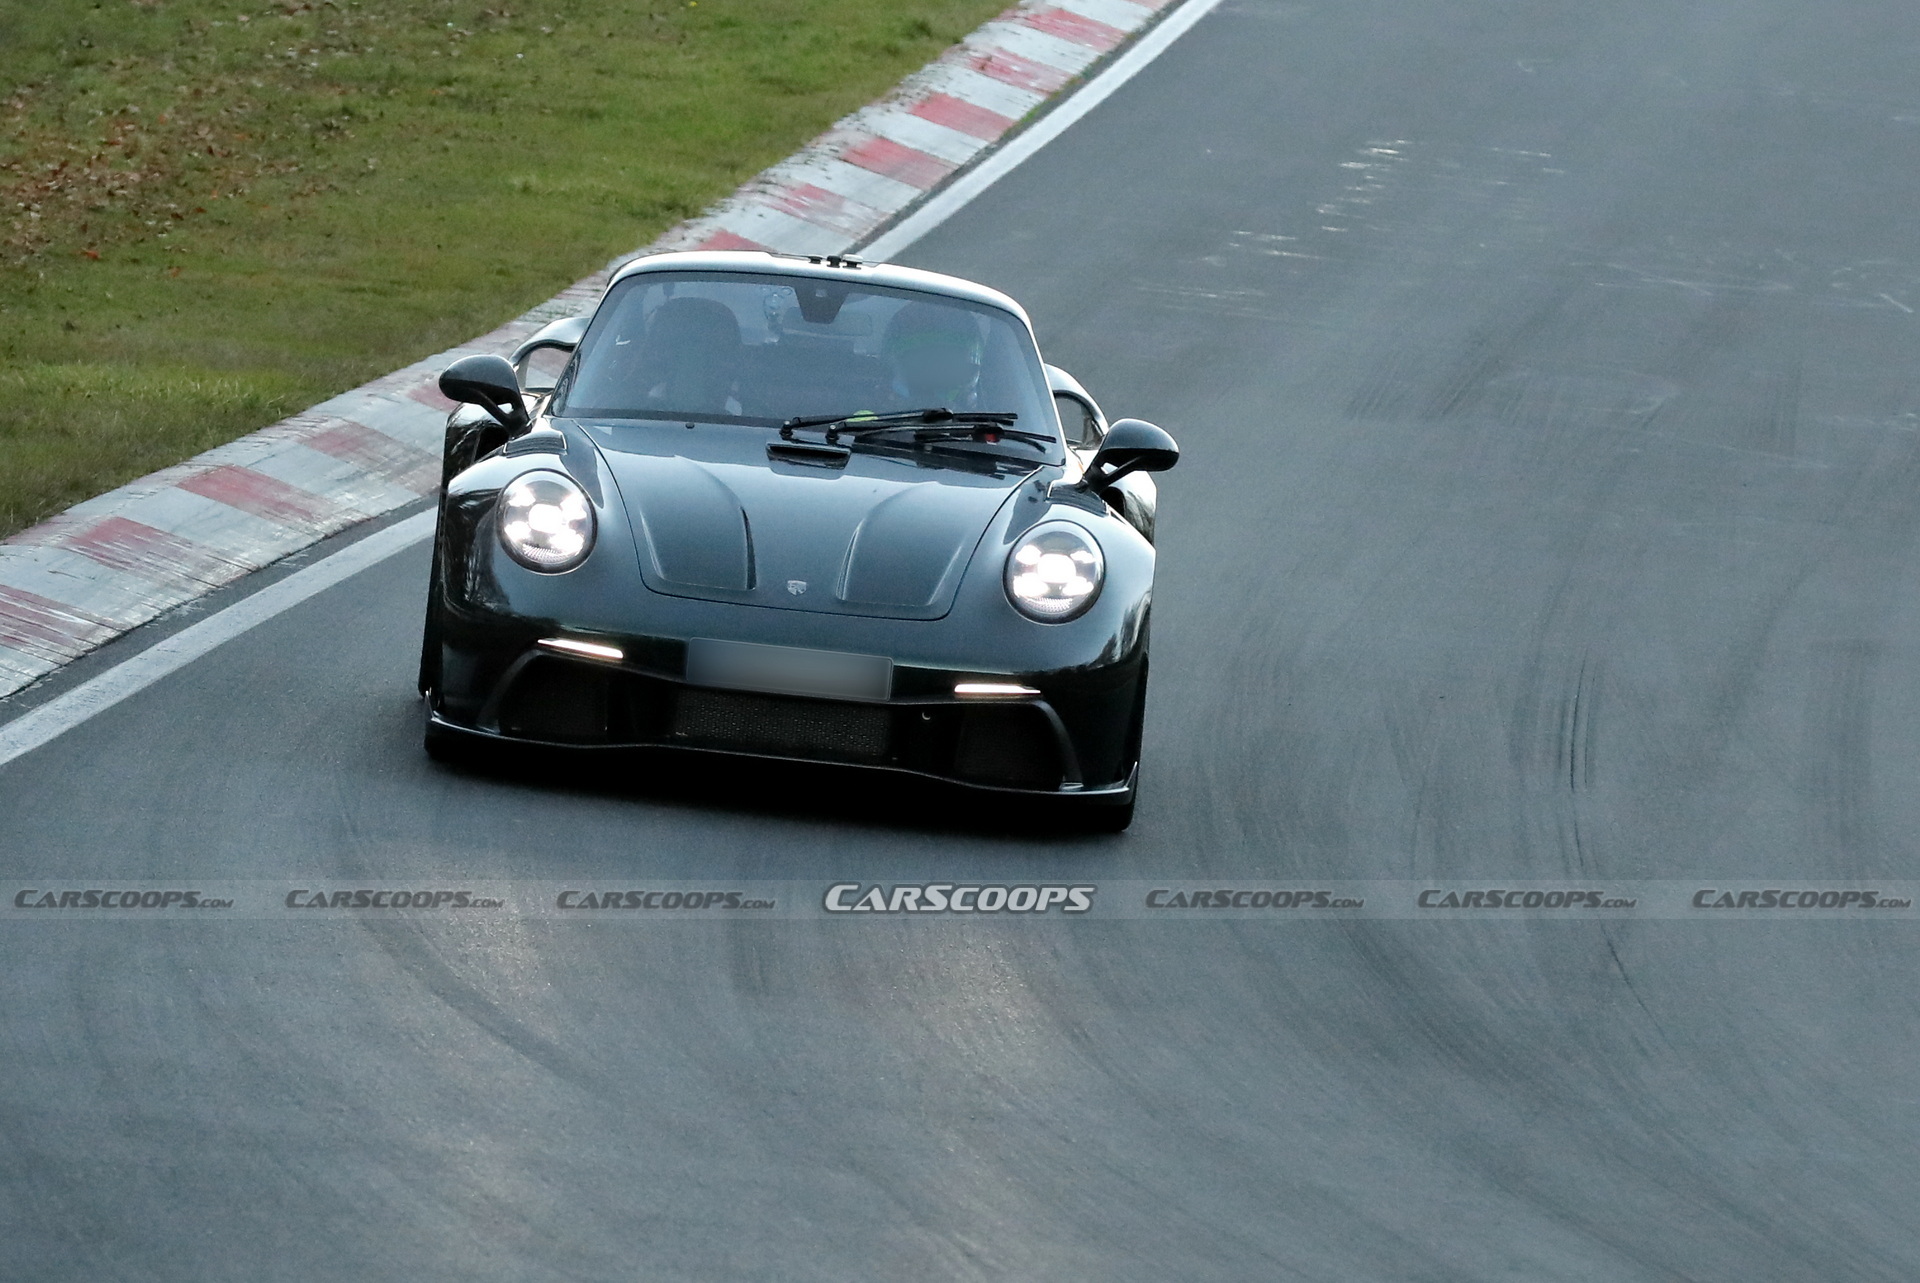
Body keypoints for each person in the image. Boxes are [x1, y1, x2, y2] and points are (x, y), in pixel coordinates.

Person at [880, 302, 985, 410]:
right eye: (927, 360)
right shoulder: (873, 411)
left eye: (950, 360)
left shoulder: (989, 411)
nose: (940, 369)